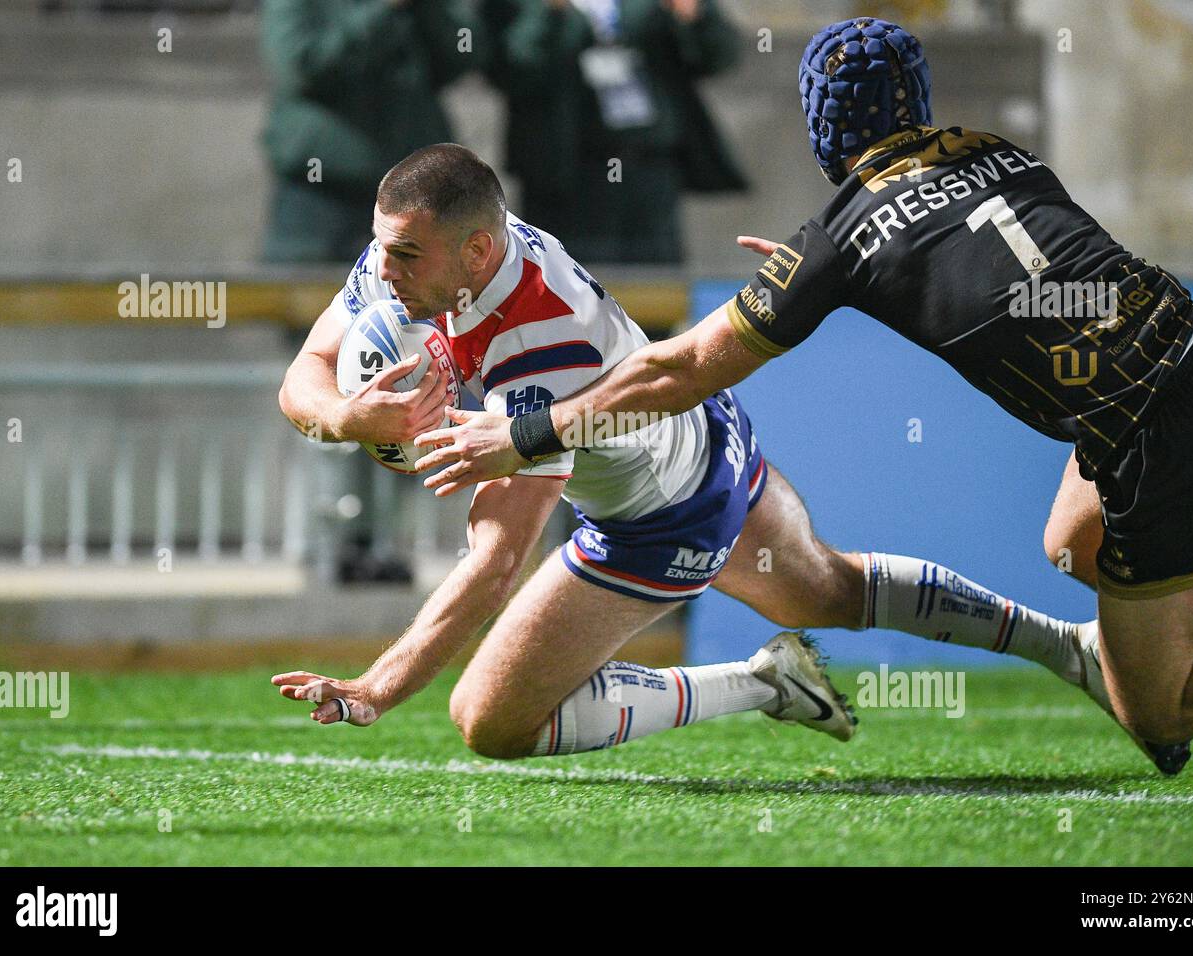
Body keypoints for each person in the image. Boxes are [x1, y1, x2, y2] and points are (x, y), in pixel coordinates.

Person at [414, 18, 1193, 774]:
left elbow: (674, 376)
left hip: (1157, 431)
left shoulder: (839, 240)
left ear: (822, 125)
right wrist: (813, 276)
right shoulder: (995, 150)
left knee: (1161, 716)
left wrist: (526, 434)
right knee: (1070, 545)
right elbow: (982, 259)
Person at [272, 144, 1097, 762]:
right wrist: (349, 418)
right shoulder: (425, 257)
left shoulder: (540, 349)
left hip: (659, 518)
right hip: (701, 427)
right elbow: (304, 374)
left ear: (478, 253)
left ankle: (759, 684)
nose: (383, 268)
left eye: (404, 254)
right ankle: (1066, 644)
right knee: (827, 588)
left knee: (489, 723)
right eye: (383, 246)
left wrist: (378, 687)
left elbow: (495, 562)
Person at [480, 0, 747, 263]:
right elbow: (510, 69)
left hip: (649, 168)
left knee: (656, 290)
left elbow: (720, 56)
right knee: (569, 287)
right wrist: (549, 15)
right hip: (567, 176)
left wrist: (693, 15)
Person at [260, 0, 482, 264]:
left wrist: (427, 9)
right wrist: (383, 10)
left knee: (416, 297)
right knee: (303, 297)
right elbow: (302, 67)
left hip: (412, 196)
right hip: (320, 194)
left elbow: (466, 54)